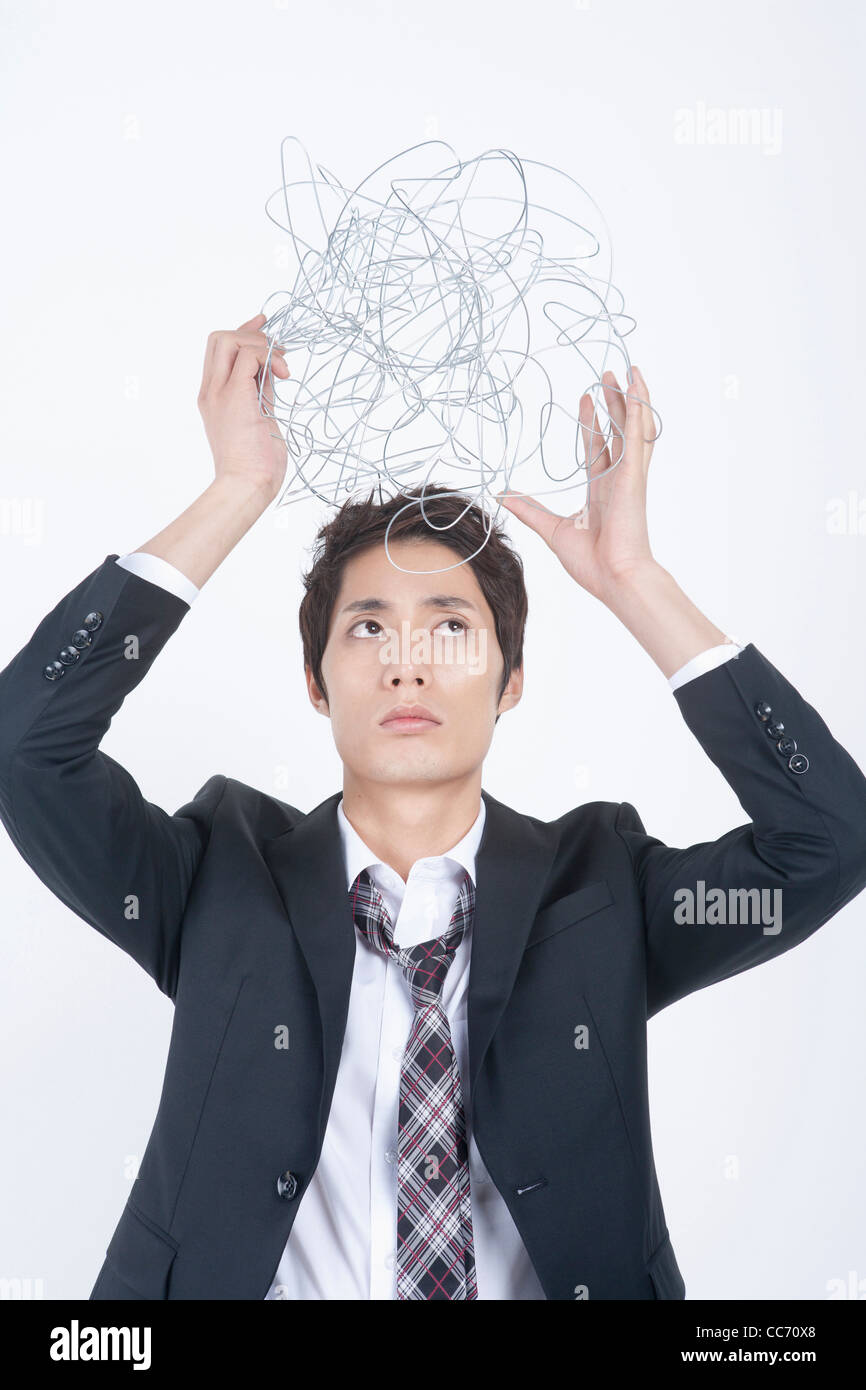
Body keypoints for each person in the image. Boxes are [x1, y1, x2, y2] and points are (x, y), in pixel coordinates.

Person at [1, 313, 864, 1300]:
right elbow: (27, 748)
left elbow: (828, 839)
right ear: (317, 681)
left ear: (509, 681)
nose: (407, 659)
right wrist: (235, 491)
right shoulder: (209, 878)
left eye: (449, 626)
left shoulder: (607, 895)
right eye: (367, 626)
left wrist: (633, 581)